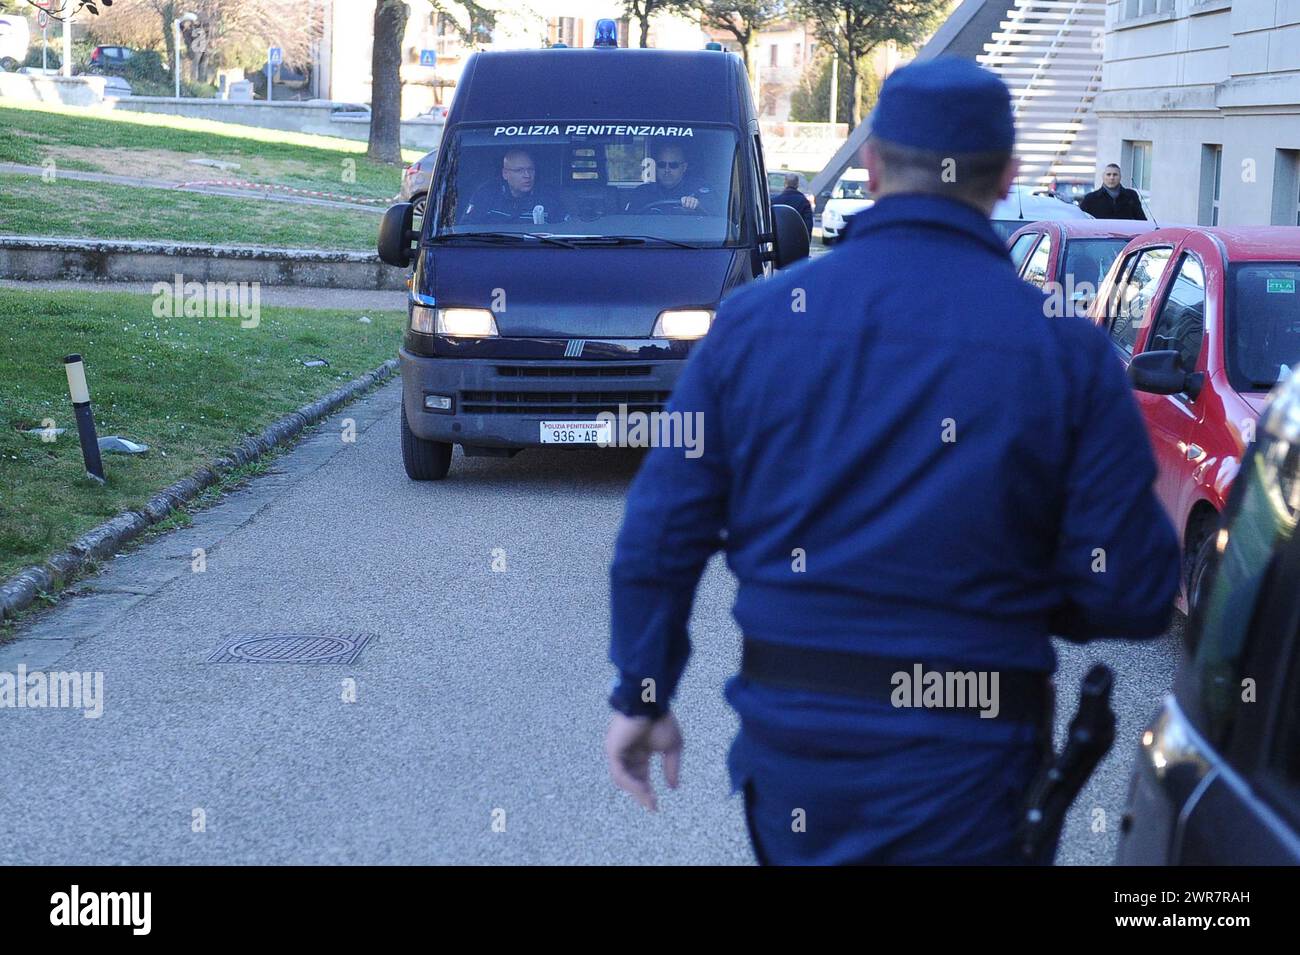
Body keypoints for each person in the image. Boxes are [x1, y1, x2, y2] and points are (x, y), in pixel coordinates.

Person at [602, 56, 1180, 865]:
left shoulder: (754, 325)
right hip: (976, 765)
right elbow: (1134, 589)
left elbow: (658, 535)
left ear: (871, 164)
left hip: (798, 758)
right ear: (1007, 176)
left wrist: (644, 690)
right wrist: (1009, 588)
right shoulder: (1068, 353)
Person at [463, 149, 567, 225]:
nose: (527, 175)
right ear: (505, 174)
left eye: (530, 169)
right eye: (519, 170)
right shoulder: (486, 195)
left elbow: (566, 230)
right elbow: (466, 230)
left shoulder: (548, 197)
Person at [624, 144, 717, 214]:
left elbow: (714, 218)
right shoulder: (641, 193)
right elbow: (629, 224)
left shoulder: (700, 190)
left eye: (673, 165)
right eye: (662, 165)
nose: (667, 170)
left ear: (684, 167)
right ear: (656, 167)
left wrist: (697, 207)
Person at [1079, 163, 1147, 220]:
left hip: (1126, 235)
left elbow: (1141, 221)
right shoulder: (1090, 198)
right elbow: (1080, 221)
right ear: (1103, 177)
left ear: (1120, 177)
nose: (1111, 178)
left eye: (1115, 174)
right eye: (1108, 174)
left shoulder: (1131, 196)